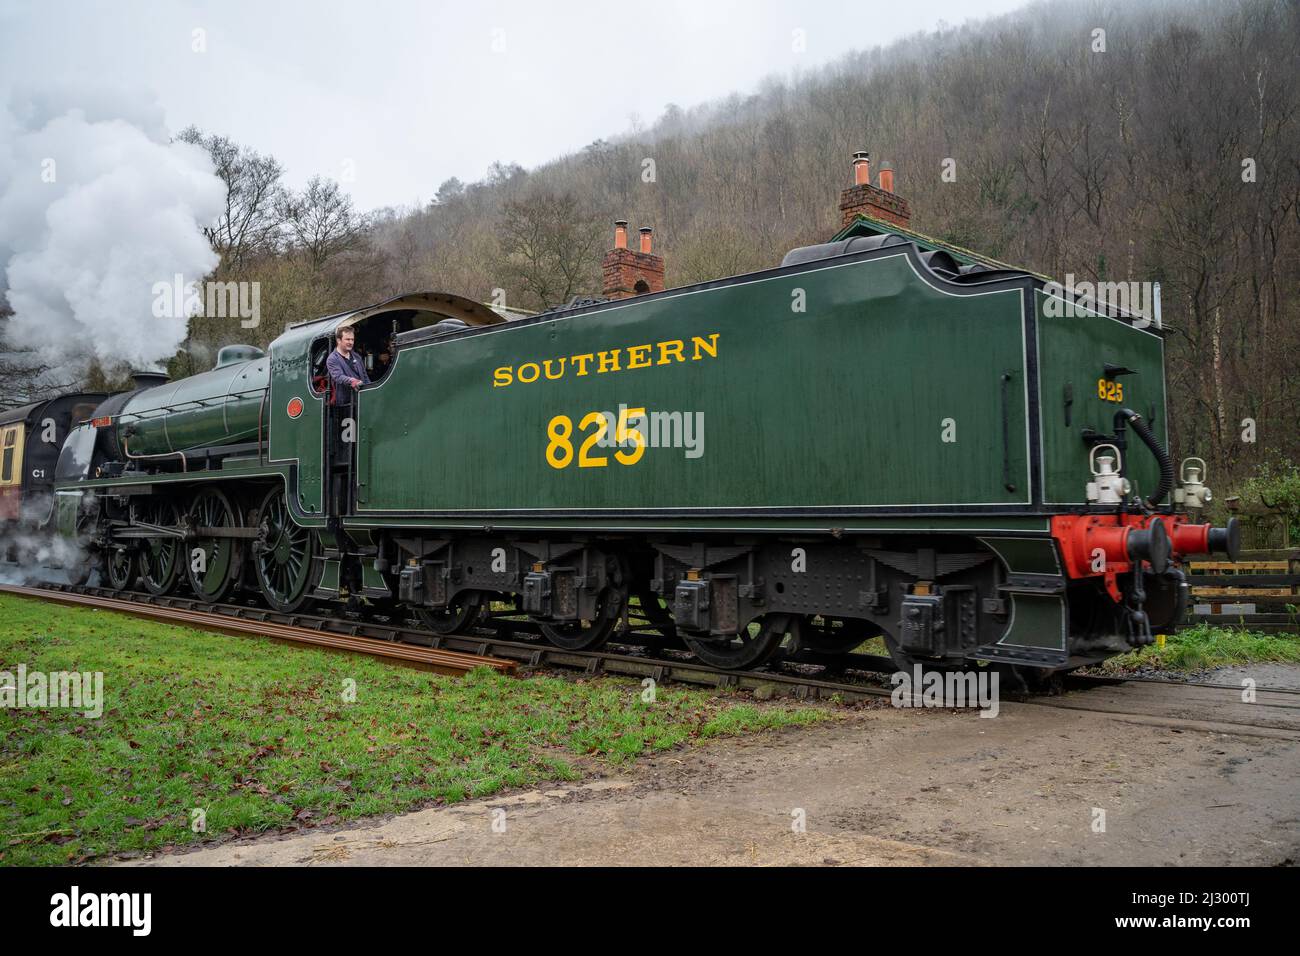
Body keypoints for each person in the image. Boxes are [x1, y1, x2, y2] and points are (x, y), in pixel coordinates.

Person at [326, 326, 369, 405]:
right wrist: (352, 381)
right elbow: (338, 377)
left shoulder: (357, 356)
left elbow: (365, 376)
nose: (351, 342)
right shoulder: (332, 359)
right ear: (339, 340)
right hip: (346, 403)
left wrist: (370, 391)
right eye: (347, 339)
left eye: (352, 339)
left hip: (362, 399)